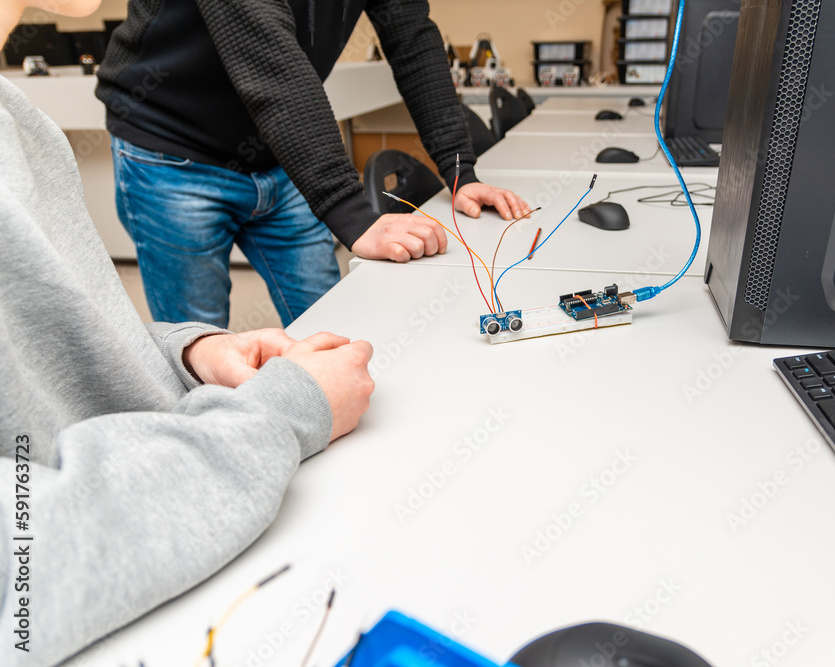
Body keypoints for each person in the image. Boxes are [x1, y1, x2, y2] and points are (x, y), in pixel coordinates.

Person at [0, 2, 375, 664]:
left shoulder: (17, 119)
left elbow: (32, 368)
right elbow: (24, 572)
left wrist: (187, 354)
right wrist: (285, 413)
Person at [96, 0, 530, 328]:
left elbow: (412, 36)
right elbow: (266, 51)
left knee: (333, 327)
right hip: (171, 147)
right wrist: (351, 212)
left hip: (281, 154)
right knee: (202, 345)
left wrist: (459, 170)